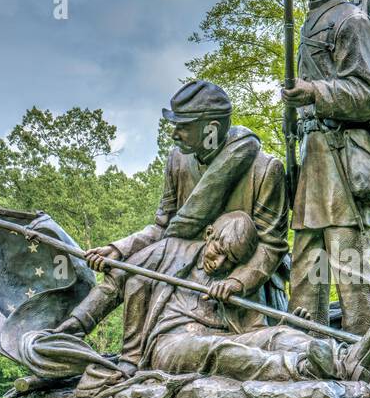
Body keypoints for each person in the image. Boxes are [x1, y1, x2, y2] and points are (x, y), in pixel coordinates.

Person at [55, 79, 289, 336]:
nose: (174, 134)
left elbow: (271, 245)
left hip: (239, 278)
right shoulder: (177, 160)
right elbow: (163, 227)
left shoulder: (266, 170)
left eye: (183, 127)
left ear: (211, 130)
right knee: (130, 267)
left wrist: (237, 282)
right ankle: (72, 330)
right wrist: (119, 249)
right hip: (182, 259)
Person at [114, 210, 370, 383]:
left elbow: (257, 331)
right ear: (208, 234)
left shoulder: (238, 280)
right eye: (218, 251)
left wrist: (288, 327)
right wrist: (113, 251)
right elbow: (128, 274)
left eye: (230, 260)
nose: (220, 263)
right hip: (172, 343)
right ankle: (303, 368)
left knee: (279, 335)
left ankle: (347, 359)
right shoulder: (172, 251)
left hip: (225, 336)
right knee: (220, 350)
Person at [282, 0, 370, 335]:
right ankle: (298, 349)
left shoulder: (351, 19)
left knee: (349, 267)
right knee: (306, 264)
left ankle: (364, 352)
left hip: (344, 157)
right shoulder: (310, 22)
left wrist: (313, 91)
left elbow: (368, 94)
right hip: (313, 153)